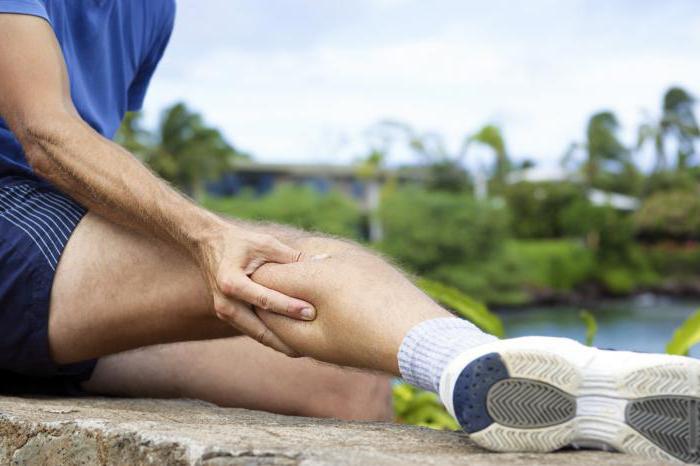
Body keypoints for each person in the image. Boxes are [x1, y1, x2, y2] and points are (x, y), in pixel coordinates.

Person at [0, 1, 696, 464]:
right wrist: (204, 235)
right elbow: (47, 134)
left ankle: (597, 409)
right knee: (287, 264)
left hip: (46, 273)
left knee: (347, 388)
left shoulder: (151, 8)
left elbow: (94, 153)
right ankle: (476, 366)